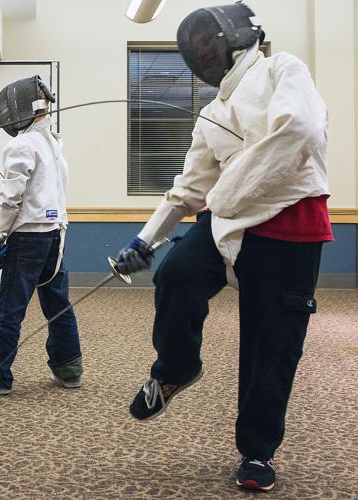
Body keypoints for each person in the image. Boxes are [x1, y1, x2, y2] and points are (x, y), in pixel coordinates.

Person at [114, 3, 331, 492]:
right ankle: (176, 369)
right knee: (175, 276)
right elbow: (188, 188)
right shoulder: (211, 113)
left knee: (270, 344)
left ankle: (257, 452)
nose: (203, 54)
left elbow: (299, 130)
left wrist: (229, 194)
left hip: (288, 222)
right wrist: (143, 239)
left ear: (237, 36)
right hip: (224, 222)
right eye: (197, 49)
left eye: (209, 43)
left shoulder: (283, 69)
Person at [0, 75, 82, 395]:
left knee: (10, 306)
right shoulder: (55, 142)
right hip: (56, 234)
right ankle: (68, 368)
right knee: (58, 302)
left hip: (28, 237)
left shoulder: (21, 144)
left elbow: (11, 197)